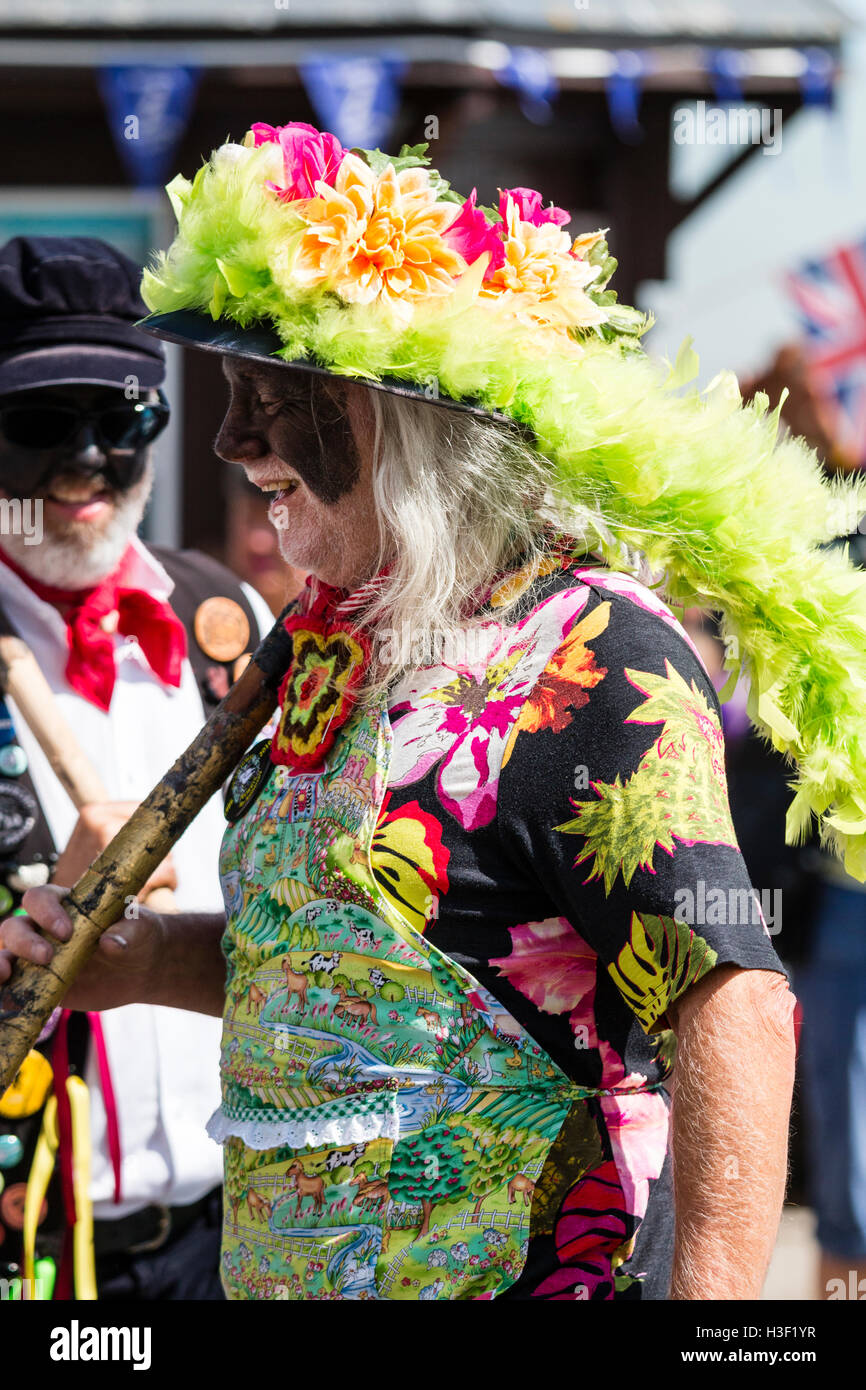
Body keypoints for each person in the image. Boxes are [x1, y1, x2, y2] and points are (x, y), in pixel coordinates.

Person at [10, 120, 866, 1301]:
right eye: (229, 388)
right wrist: (144, 960)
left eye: (276, 391)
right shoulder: (324, 647)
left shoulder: (590, 656)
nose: (228, 435)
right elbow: (335, 978)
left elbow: (736, 1007)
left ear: (414, 425)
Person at [0, 236, 272, 1300]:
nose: (84, 462)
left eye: (122, 424)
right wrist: (32, 913)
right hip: (34, 1253)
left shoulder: (232, 625)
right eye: (37, 426)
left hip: (231, 1234)